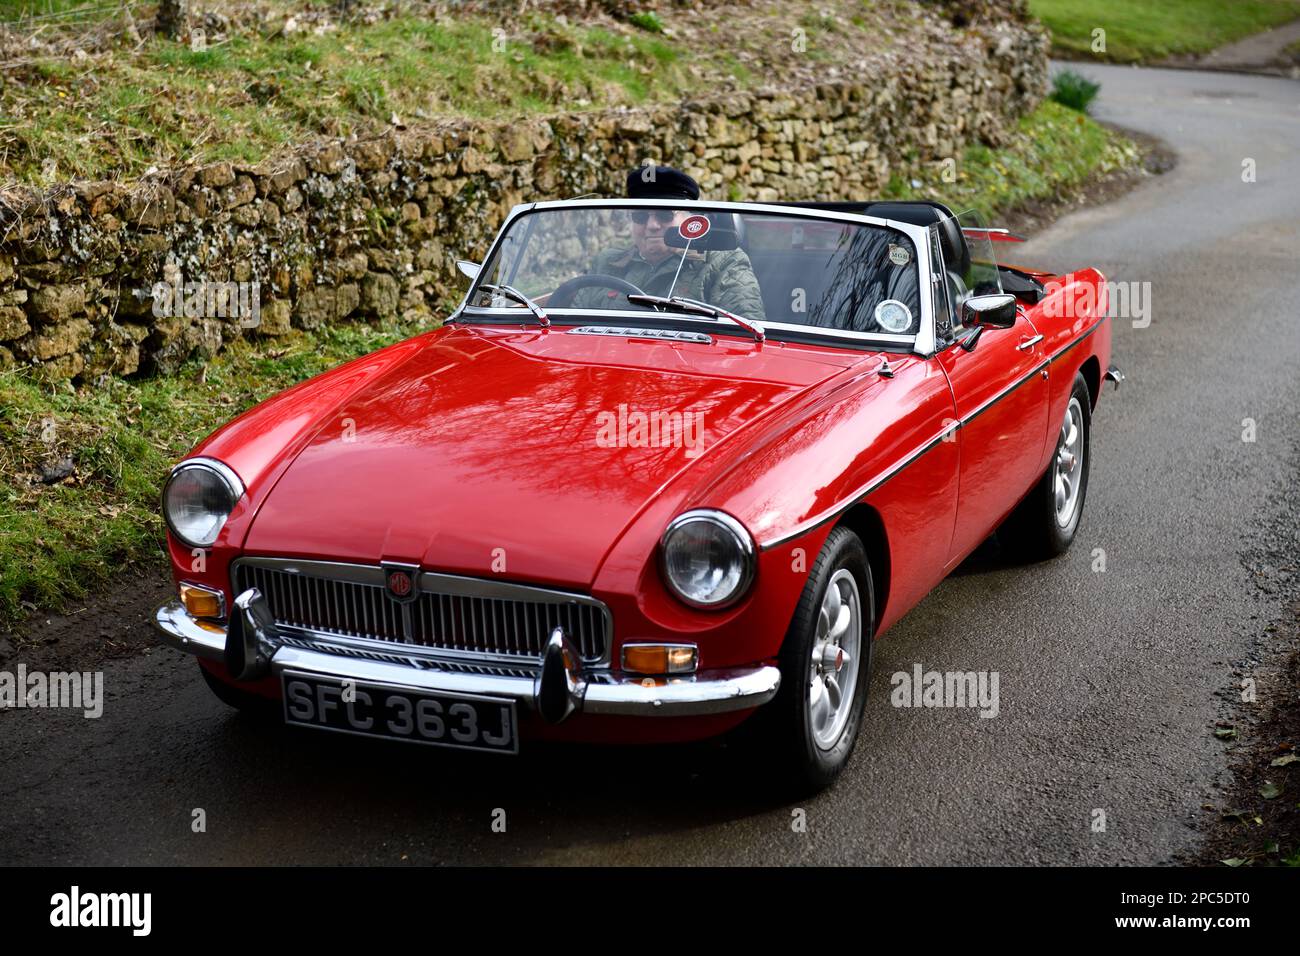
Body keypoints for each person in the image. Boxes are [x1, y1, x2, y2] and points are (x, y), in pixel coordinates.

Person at [572, 165, 766, 320]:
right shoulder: (607, 261)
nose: (652, 225)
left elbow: (745, 339)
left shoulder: (723, 263)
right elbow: (569, 328)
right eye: (640, 216)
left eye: (665, 215)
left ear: (688, 219)